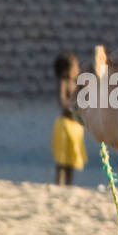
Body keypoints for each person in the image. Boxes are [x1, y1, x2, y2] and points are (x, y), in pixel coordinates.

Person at [52, 51, 87, 186]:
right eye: (75, 66)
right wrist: (73, 106)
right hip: (64, 125)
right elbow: (62, 101)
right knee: (62, 160)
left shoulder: (77, 83)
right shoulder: (64, 82)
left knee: (71, 160)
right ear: (67, 70)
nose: (77, 68)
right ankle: (59, 184)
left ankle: (68, 185)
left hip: (75, 126)